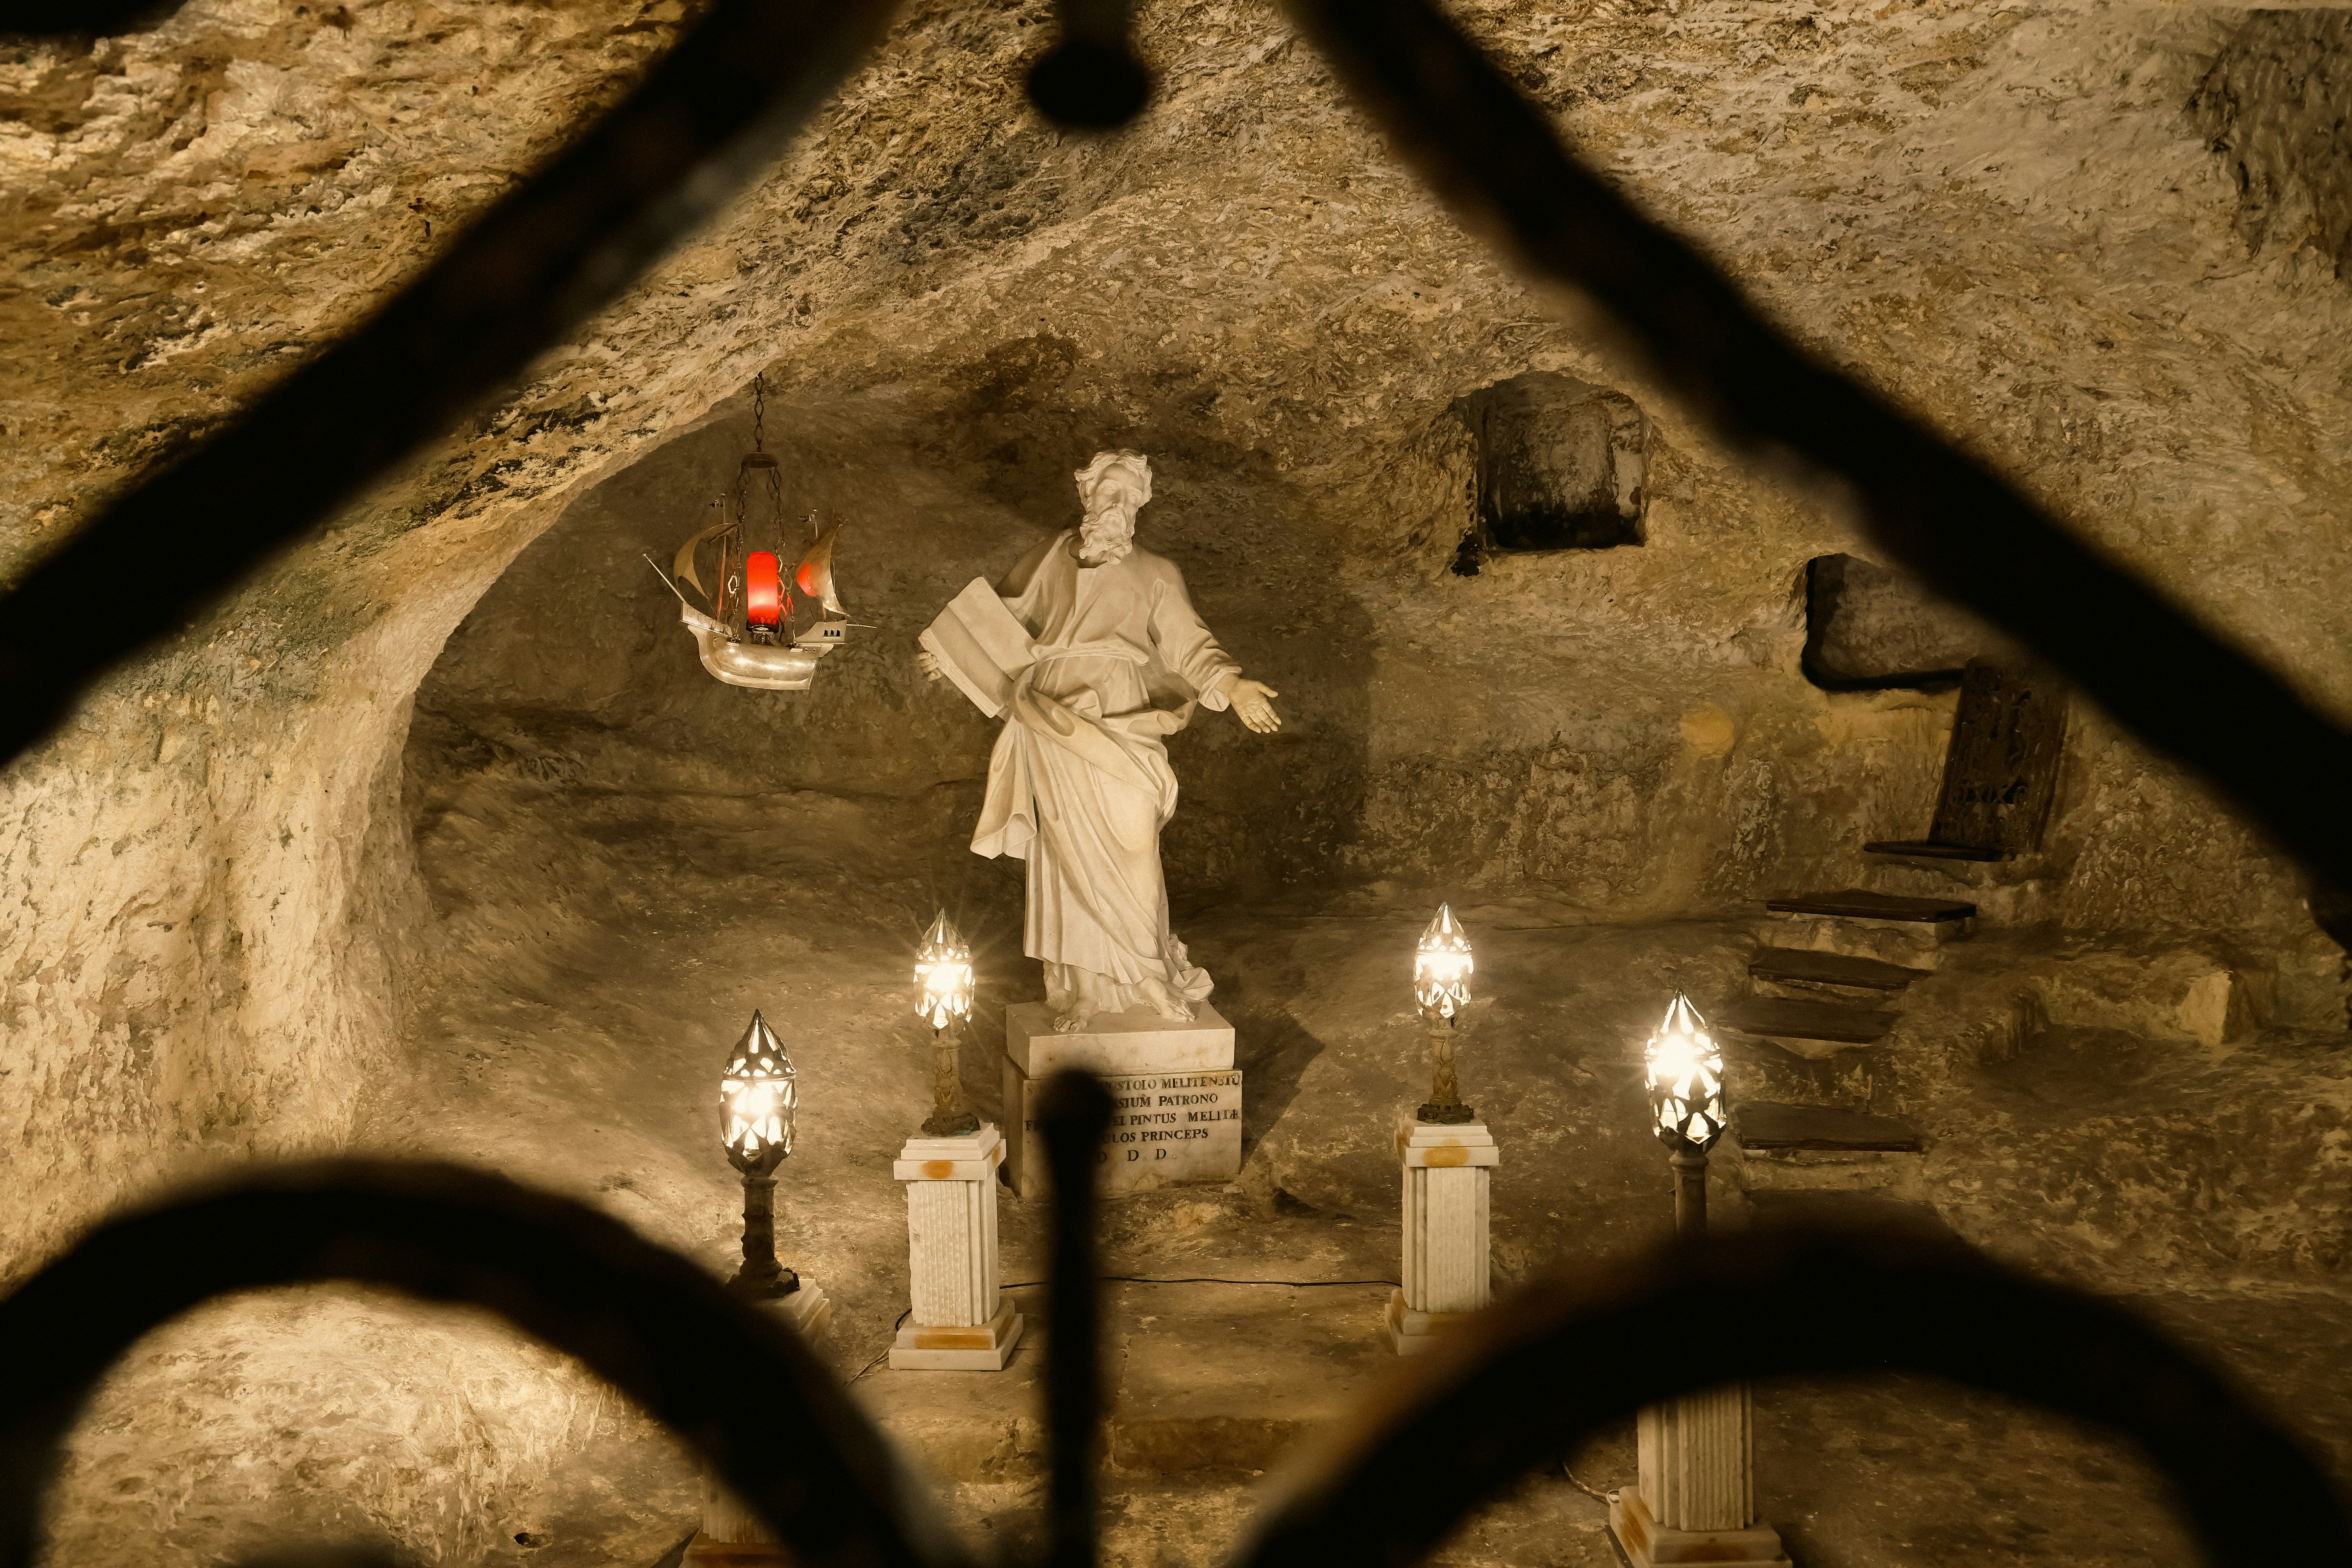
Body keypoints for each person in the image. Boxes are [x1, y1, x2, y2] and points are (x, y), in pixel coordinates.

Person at [918, 450, 1281, 1032]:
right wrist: (952, 657)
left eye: (1131, 498)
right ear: (1088, 496)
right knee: (1066, 857)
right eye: (1110, 492)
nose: (1119, 505)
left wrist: (1232, 687)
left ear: (1140, 508)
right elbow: (1000, 623)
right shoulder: (1047, 561)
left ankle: (1149, 974)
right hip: (1053, 715)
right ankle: (1085, 992)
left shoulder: (1157, 573)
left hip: (1123, 716)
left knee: (1136, 843)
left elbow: (1190, 644)